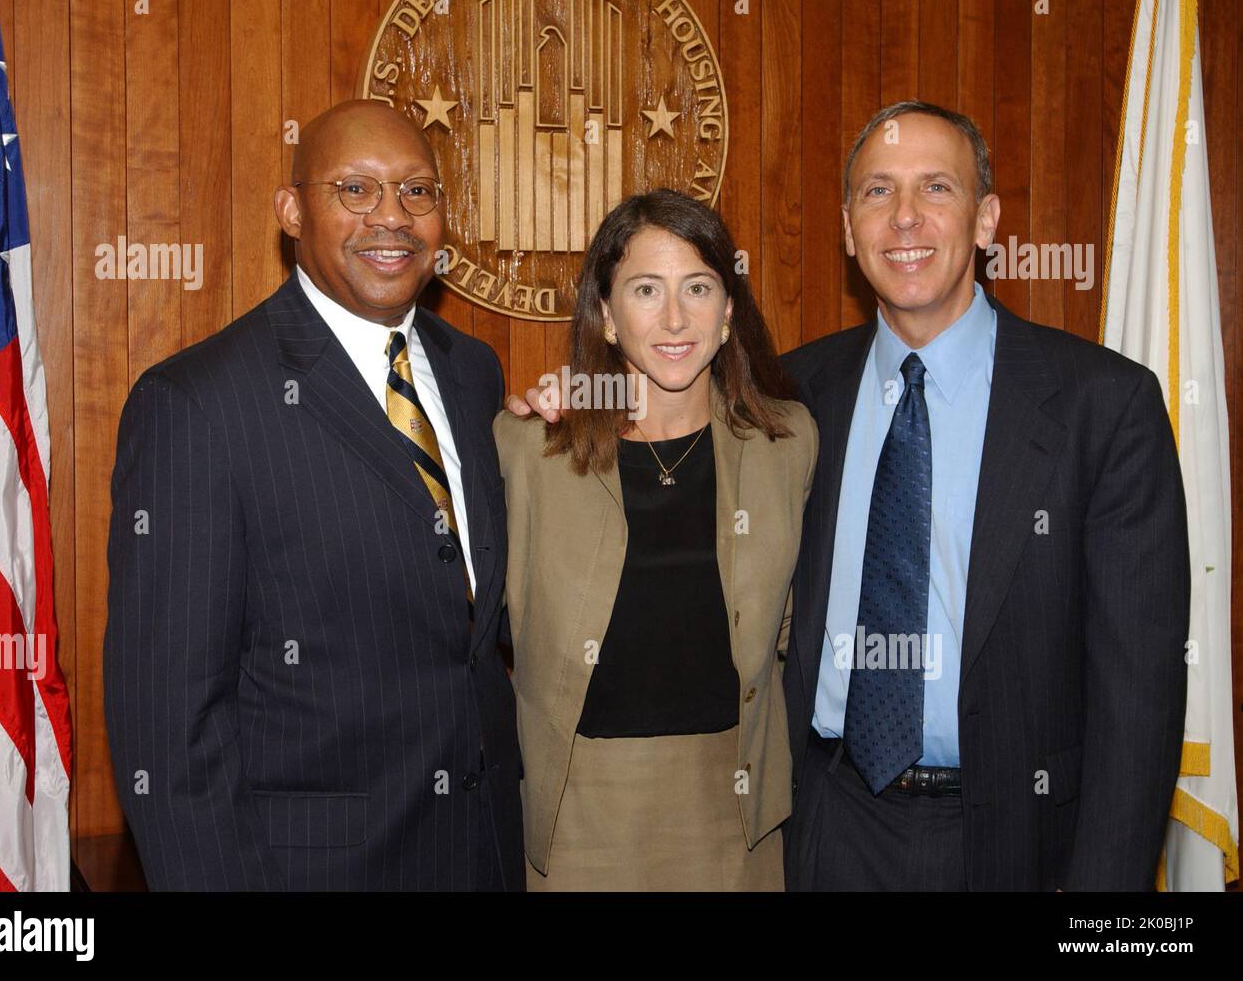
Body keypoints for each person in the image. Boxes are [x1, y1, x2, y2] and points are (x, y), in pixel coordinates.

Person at [512, 103, 1190, 892]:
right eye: (877, 193)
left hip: (1015, 838)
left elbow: (1139, 697)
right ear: (845, 227)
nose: (905, 218)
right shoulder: (794, 403)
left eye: (937, 188)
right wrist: (572, 395)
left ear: (987, 221)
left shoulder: (1103, 406)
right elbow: (658, 421)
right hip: (824, 829)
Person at [104, 100, 523, 891]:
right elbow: (168, 729)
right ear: (292, 211)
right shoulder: (197, 404)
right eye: (355, 190)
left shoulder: (474, 374)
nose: (392, 218)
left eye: (418, 192)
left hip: (483, 856)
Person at [494, 189, 818, 891]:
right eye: (646, 289)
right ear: (605, 316)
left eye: (698, 287)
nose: (675, 318)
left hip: (734, 812)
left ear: (729, 312)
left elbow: (796, 632)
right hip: (579, 816)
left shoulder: (786, 444)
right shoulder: (526, 447)